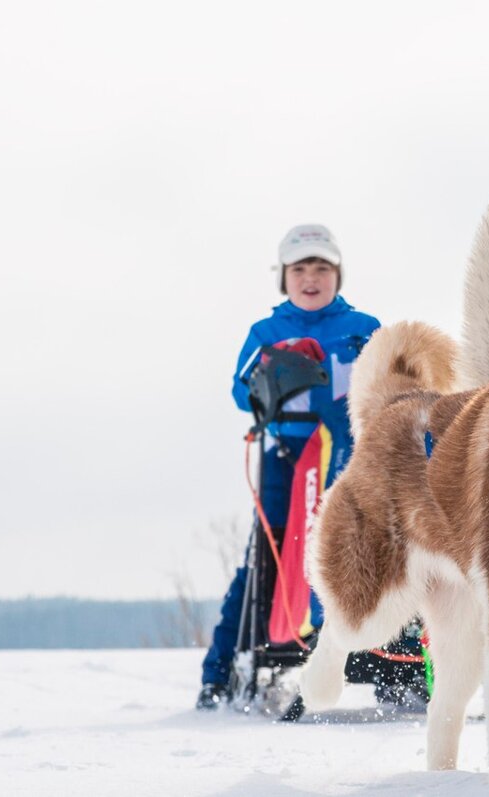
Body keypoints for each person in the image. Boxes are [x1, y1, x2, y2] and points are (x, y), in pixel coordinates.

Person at [196, 224, 387, 710]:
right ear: (284, 277)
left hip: (352, 463)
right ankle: (220, 673)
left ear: (336, 274)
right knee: (266, 556)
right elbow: (242, 394)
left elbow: (394, 383)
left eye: (321, 267)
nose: (310, 278)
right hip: (287, 463)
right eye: (299, 268)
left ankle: (394, 660)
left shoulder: (363, 327)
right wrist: (271, 381)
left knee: (379, 552)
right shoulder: (267, 333)